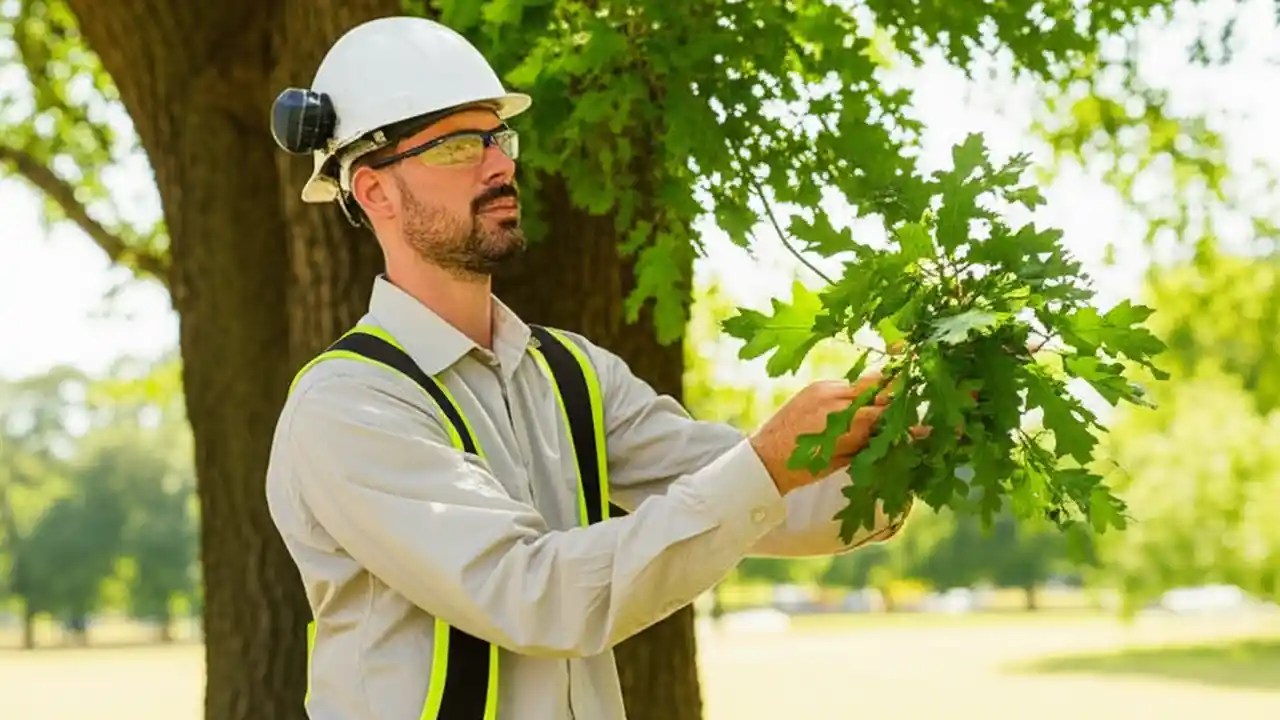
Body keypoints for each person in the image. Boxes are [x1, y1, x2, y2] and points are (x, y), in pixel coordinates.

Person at [264, 15, 912, 720]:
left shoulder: (570, 373)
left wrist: (916, 430)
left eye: (497, 137)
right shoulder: (348, 407)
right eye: (456, 145)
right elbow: (533, 596)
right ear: (374, 191)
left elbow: (769, 504)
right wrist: (769, 460)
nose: (500, 164)